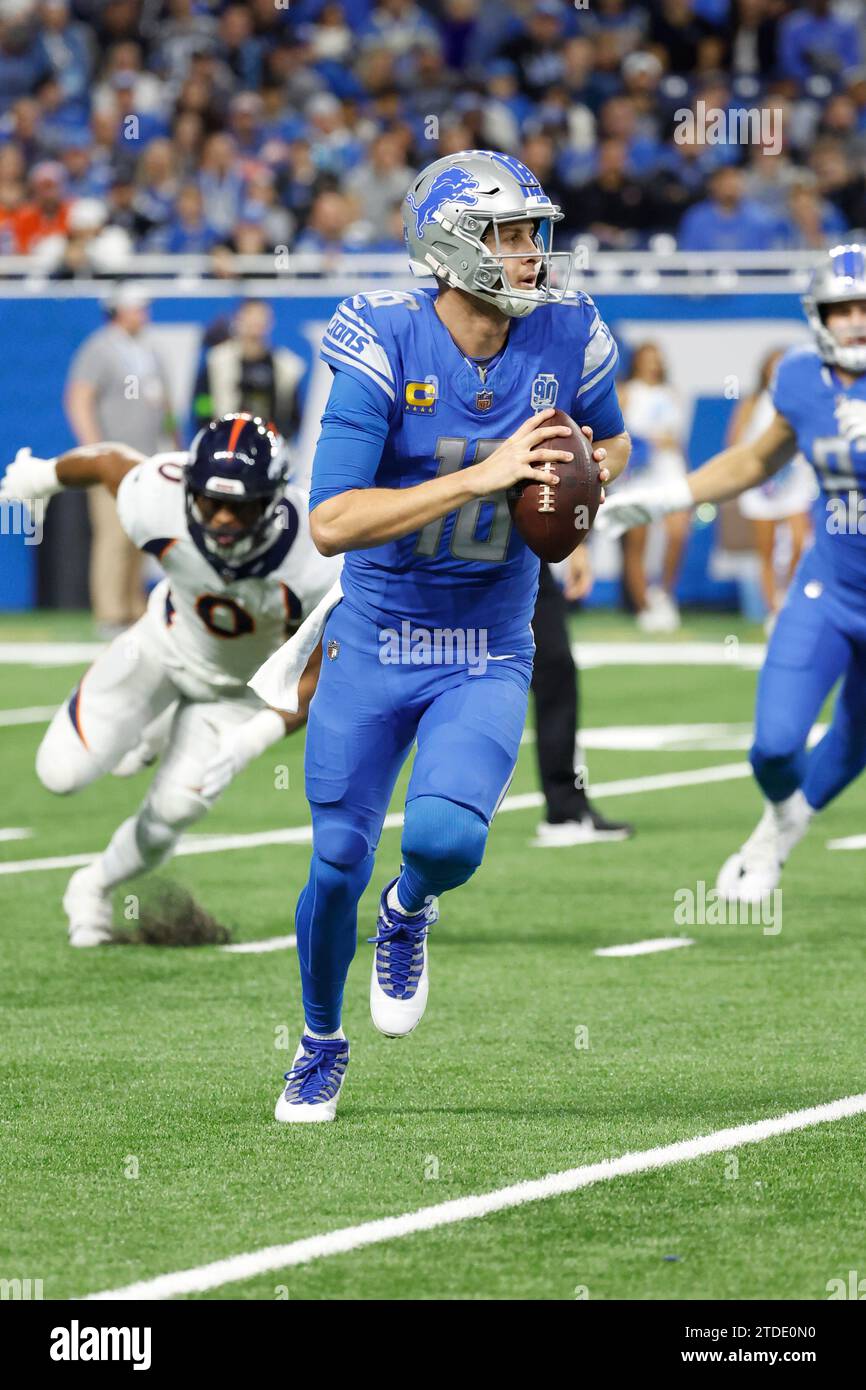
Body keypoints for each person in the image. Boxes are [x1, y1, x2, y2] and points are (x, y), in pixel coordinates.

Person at [252, 149, 630, 1122]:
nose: (529, 253)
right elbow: (330, 519)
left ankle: (408, 909)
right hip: (378, 633)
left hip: (486, 639)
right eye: (508, 234)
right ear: (453, 246)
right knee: (334, 859)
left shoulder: (568, 330)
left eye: (531, 233)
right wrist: (485, 474)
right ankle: (317, 1040)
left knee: (445, 840)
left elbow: (610, 435)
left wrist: (580, 480)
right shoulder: (381, 338)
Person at [0, 415, 338, 946]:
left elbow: (325, 669)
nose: (223, 519)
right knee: (59, 774)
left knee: (176, 808)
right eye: (210, 502)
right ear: (188, 491)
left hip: (234, 694)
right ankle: (155, 721)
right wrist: (42, 476)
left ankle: (91, 886)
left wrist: (256, 736)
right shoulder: (157, 496)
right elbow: (110, 463)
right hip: (158, 647)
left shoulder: (315, 559)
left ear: (273, 501)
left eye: (241, 506)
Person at [596, 243, 866, 905]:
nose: (856, 320)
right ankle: (780, 823)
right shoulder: (803, 377)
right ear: (818, 316)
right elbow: (756, 460)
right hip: (829, 587)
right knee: (772, 749)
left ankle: (773, 842)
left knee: (853, 739)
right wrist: (666, 497)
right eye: (842, 308)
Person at [64, 284, 177, 635]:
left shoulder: (148, 350)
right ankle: (110, 613)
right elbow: (79, 398)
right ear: (118, 310)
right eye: (137, 307)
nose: (144, 313)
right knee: (112, 535)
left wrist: (173, 444)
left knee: (136, 535)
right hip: (113, 459)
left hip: (144, 460)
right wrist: (95, 451)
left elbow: (165, 406)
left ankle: (131, 608)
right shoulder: (100, 348)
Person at [530, 550, 634, 846]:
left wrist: (575, 546)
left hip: (518, 561)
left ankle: (566, 809)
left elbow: (546, 501)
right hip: (432, 572)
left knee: (555, 668)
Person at [728, 349, 816, 620]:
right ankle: (773, 611)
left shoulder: (802, 401)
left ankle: (789, 599)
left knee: (801, 542)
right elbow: (735, 444)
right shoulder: (752, 404)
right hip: (762, 484)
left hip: (795, 482)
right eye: (772, 366)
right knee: (765, 549)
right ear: (764, 371)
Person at [615, 342, 691, 632]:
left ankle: (663, 593)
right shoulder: (626, 392)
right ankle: (643, 606)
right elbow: (614, 432)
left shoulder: (671, 393)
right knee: (638, 541)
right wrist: (645, 442)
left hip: (670, 470)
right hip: (638, 473)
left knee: (677, 532)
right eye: (647, 358)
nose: (653, 364)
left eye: (657, 358)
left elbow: (678, 438)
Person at [193, 298, 305, 438]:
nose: (256, 322)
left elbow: (293, 413)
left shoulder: (285, 366)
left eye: (261, 316)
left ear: (270, 322)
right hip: (226, 440)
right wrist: (210, 428)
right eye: (250, 315)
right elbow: (202, 400)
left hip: (267, 444)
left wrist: (279, 437)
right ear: (238, 319)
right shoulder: (217, 361)